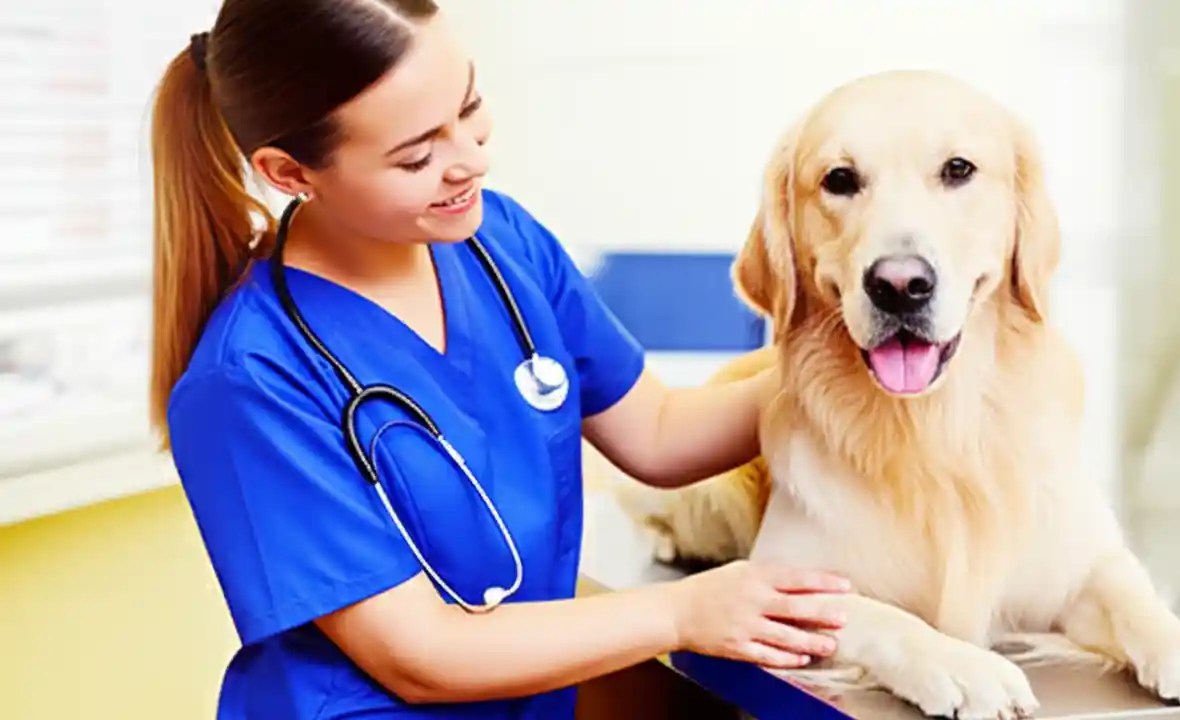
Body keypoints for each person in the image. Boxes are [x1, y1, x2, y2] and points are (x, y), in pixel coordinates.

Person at [149, 1, 851, 718]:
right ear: (291, 170)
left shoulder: (502, 242)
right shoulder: (252, 380)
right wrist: (682, 612)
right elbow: (421, 655)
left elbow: (660, 432)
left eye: (470, 105)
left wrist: (846, 361)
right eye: (418, 156)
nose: (472, 159)